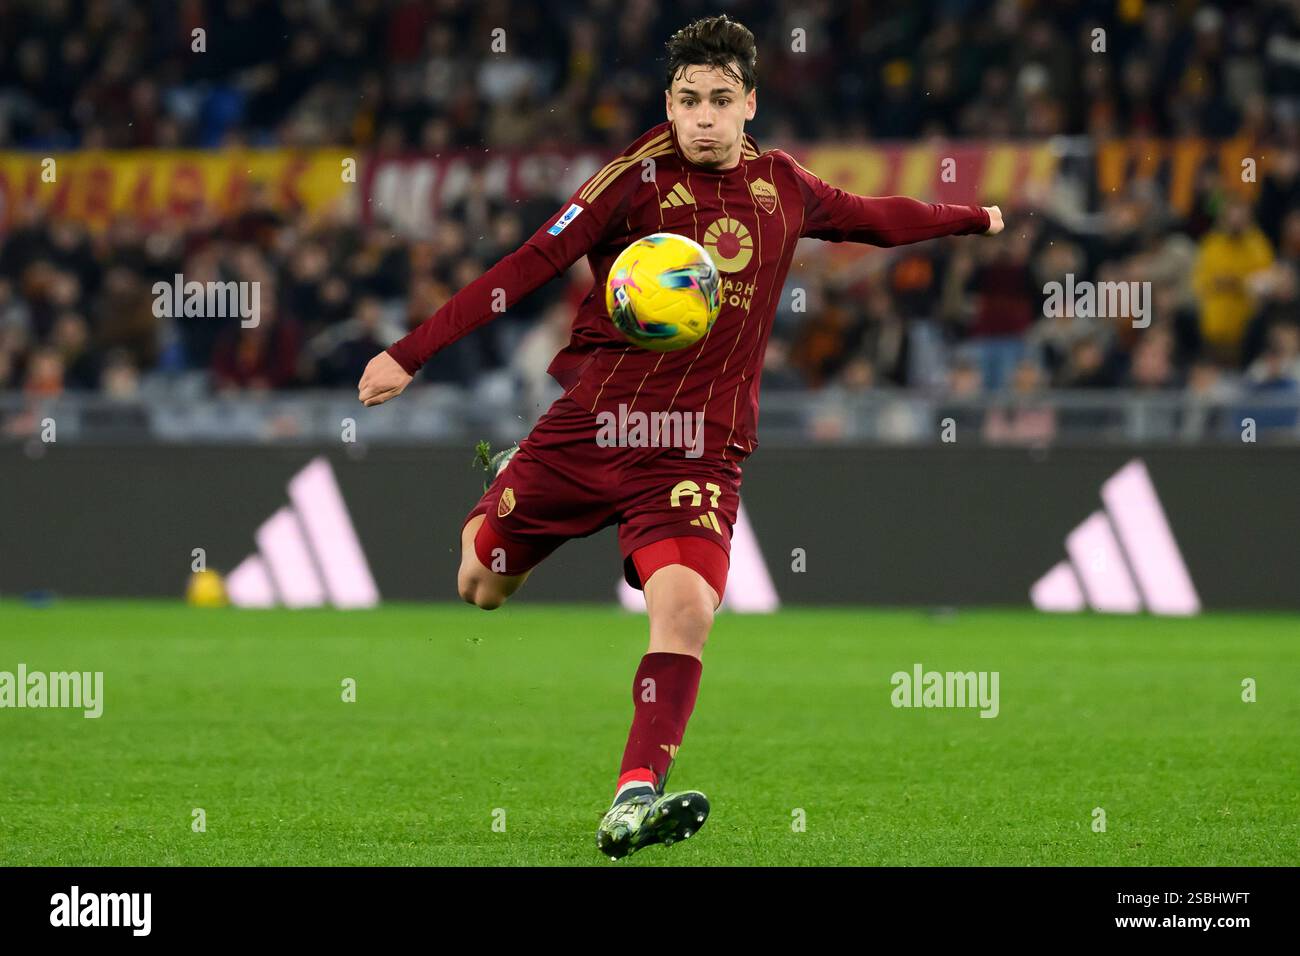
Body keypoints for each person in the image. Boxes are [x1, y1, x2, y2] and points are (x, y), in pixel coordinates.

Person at [357, 14, 1003, 860]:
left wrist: (974, 218)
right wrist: (412, 354)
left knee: (687, 609)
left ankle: (633, 797)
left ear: (749, 104)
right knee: (480, 582)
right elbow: (529, 265)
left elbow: (879, 218)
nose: (703, 116)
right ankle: (509, 479)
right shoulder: (631, 179)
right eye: (689, 99)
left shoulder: (786, 188)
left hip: (698, 449)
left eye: (720, 100)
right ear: (670, 102)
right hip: (594, 424)